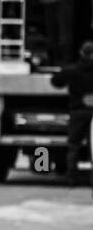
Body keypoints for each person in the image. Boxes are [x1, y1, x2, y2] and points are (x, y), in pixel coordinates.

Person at [50, 41, 93, 187]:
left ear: (81, 53)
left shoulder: (73, 70)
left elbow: (55, 81)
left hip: (77, 112)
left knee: (73, 146)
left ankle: (71, 178)